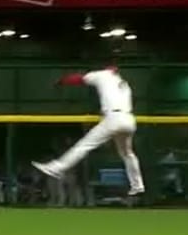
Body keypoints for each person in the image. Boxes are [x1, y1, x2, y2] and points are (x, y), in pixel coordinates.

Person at [31, 66, 145, 197]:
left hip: (113, 118)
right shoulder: (124, 84)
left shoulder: (103, 74)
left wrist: (62, 81)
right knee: (128, 154)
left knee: (84, 145)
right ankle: (138, 185)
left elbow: (79, 79)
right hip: (129, 119)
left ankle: (56, 168)